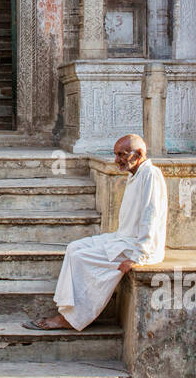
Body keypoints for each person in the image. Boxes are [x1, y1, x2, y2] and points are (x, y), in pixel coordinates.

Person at [24, 134, 167, 331]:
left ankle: (73, 319)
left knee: (82, 258)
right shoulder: (135, 174)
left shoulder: (150, 175)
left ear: (139, 154)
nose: (117, 160)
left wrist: (138, 257)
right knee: (74, 248)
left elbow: (150, 218)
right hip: (123, 239)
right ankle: (66, 310)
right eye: (116, 155)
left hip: (138, 248)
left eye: (122, 155)